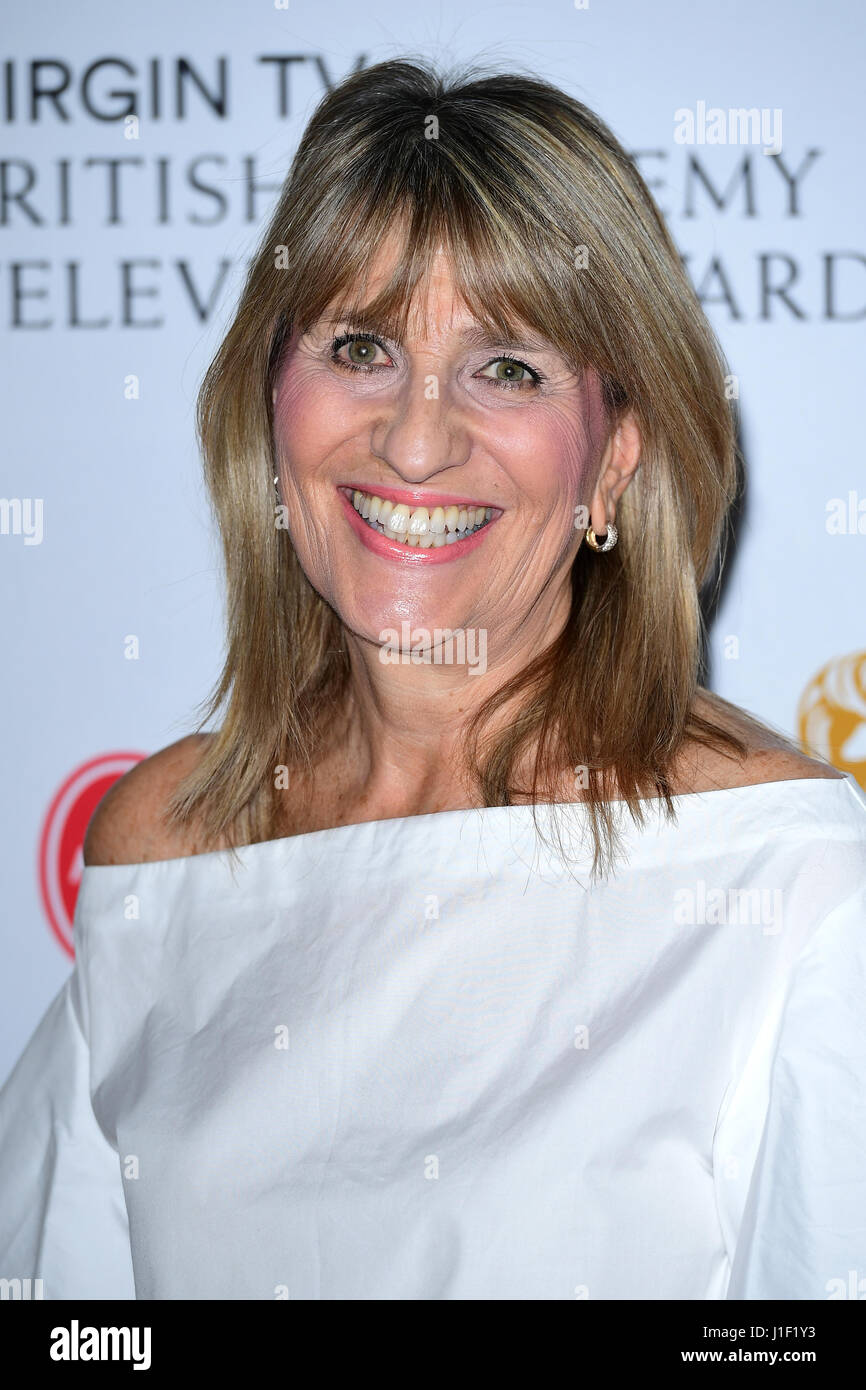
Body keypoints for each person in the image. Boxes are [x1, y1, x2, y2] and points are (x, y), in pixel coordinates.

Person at [1, 57, 864, 1301]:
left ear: (613, 461)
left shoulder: (778, 874)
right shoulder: (163, 852)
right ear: (268, 409)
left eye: (505, 367)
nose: (413, 436)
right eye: (358, 346)